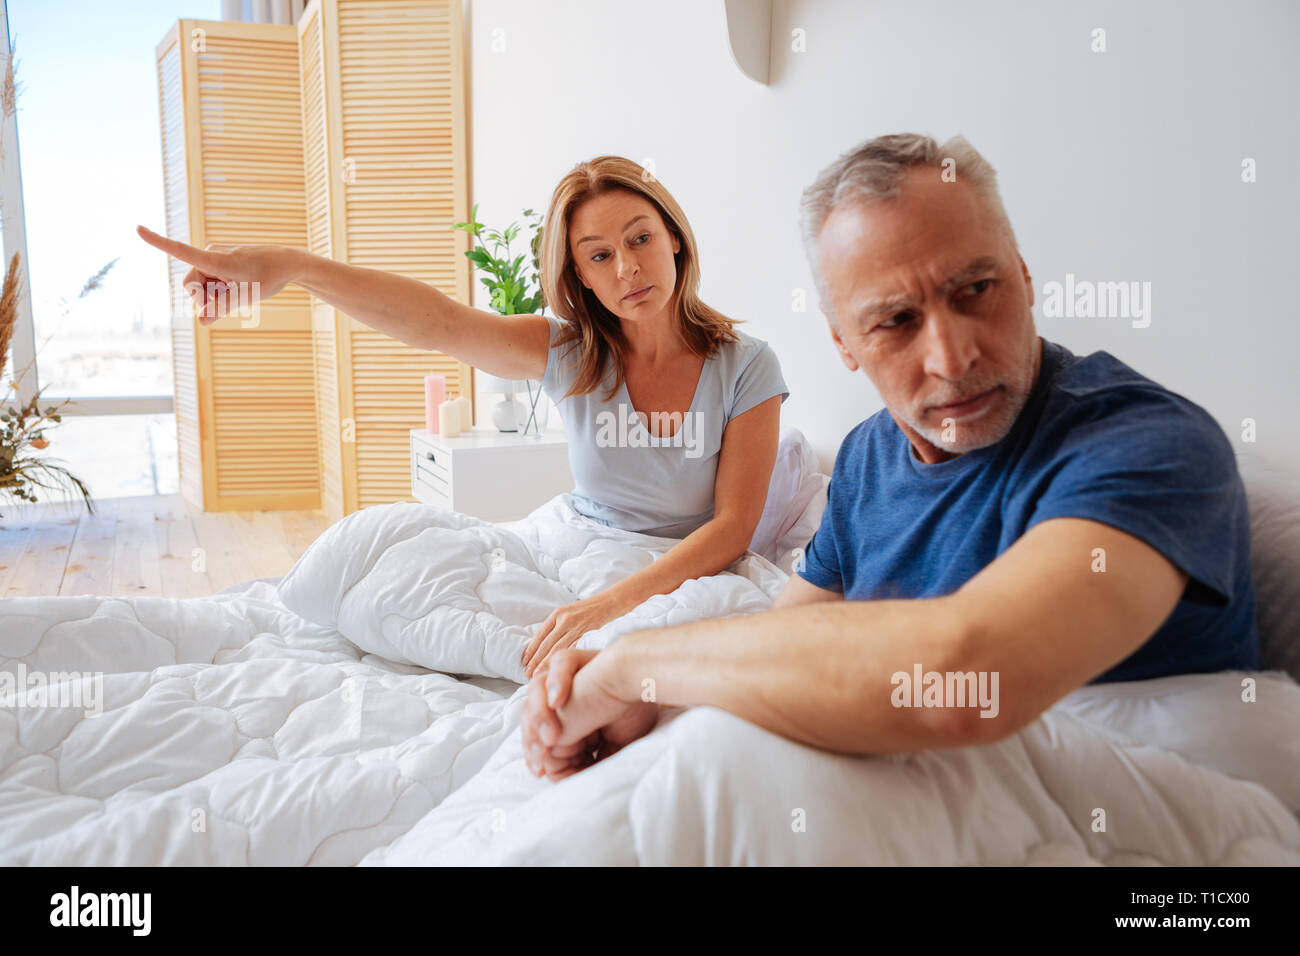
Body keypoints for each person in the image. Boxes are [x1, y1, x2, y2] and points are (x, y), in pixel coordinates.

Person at [521, 132, 1262, 780]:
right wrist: (651, 709)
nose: (950, 356)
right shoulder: (872, 457)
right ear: (842, 343)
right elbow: (789, 642)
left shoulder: (1148, 445)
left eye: (976, 288)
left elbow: (966, 679)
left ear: (1025, 277)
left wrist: (631, 667)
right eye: (895, 321)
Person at [137, 155, 788, 677]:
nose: (628, 267)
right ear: (582, 278)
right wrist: (295, 267)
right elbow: (439, 322)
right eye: (599, 255)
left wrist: (609, 604)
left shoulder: (745, 366)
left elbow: (734, 526)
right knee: (373, 574)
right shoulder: (570, 352)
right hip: (572, 544)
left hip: (676, 570)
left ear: (673, 236)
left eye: (640, 238)